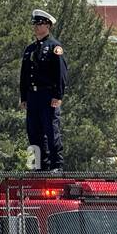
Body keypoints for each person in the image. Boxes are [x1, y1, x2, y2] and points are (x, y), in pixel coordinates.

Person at [19, 9, 67, 171]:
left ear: (48, 25)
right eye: (35, 24)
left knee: (51, 131)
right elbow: (24, 75)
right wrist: (23, 97)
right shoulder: (30, 49)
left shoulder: (55, 47)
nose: (36, 27)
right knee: (33, 132)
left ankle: (56, 165)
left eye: (39, 24)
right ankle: (36, 166)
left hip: (48, 95)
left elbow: (60, 73)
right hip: (32, 95)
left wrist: (57, 95)